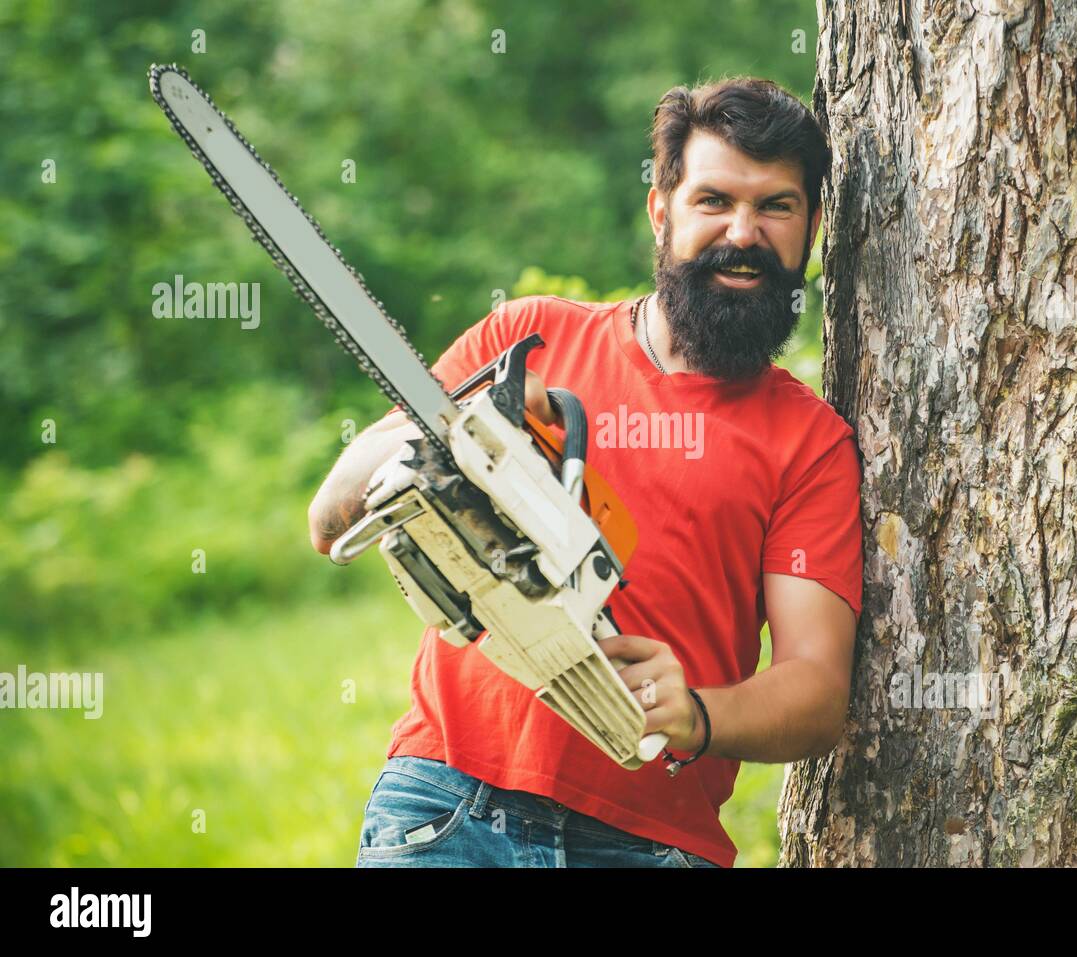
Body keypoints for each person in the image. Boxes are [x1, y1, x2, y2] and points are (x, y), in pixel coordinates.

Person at [308, 76, 864, 868]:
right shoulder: (527, 338)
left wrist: (695, 713)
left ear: (810, 226)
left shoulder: (808, 440)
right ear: (661, 209)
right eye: (713, 200)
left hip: (650, 843)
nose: (743, 232)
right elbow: (331, 517)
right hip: (447, 806)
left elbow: (816, 690)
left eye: (776, 206)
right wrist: (465, 414)